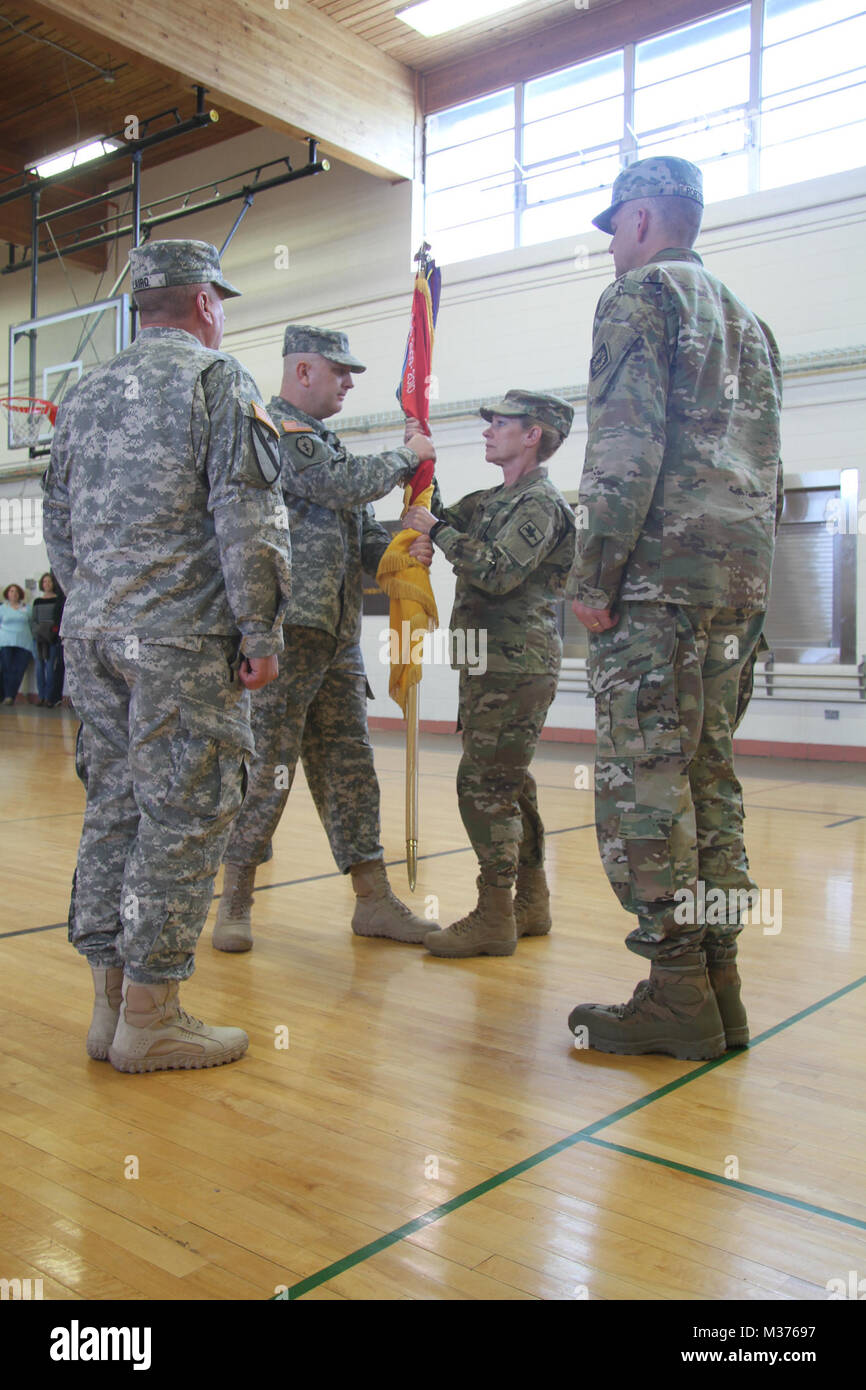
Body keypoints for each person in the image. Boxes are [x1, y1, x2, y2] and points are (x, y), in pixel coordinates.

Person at [43, 238, 291, 1073]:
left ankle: (108, 1008)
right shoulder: (219, 383)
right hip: (182, 640)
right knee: (185, 815)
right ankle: (152, 1016)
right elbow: (249, 521)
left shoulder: (80, 396)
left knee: (114, 805)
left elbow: (60, 529)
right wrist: (260, 630)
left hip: (94, 634)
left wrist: (95, 609)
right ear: (206, 303)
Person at [565, 157, 783, 1060]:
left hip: (654, 582)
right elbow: (770, 466)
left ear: (645, 220)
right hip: (735, 583)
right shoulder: (750, 320)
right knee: (707, 778)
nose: (613, 245)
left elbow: (624, 448)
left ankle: (677, 989)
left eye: (616, 226)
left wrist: (593, 576)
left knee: (644, 782)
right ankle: (719, 984)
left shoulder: (640, 299)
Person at [212, 324, 437, 952]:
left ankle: (373, 900)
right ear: (302, 370)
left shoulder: (330, 445)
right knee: (269, 770)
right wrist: (404, 457)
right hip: (286, 633)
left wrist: (405, 543)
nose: (348, 383)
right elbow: (340, 485)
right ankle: (234, 899)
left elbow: (364, 540)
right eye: (339, 372)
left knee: (349, 767)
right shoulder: (275, 429)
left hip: (335, 637)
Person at [403, 390, 576, 958]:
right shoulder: (496, 499)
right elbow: (443, 514)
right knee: (510, 783)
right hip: (486, 661)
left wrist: (441, 535)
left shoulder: (540, 503)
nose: (487, 432)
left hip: (514, 663)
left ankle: (495, 912)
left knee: (482, 786)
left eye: (500, 424)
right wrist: (417, 460)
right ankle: (530, 903)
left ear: (533, 435)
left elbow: (497, 571)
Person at [31, 571, 65, 706]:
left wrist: (52, 633)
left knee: (51, 666)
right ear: (41, 584)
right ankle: (41, 695)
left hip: (51, 638)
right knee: (39, 667)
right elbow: (33, 620)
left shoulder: (58, 600)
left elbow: (58, 619)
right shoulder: (37, 601)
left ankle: (49, 697)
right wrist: (38, 632)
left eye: (49, 581)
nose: (47, 584)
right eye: (45, 582)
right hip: (39, 639)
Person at [0, 583, 36, 703]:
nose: (13, 594)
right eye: (11, 591)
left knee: (19, 670)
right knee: (7, 669)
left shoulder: (27, 608)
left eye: (16, 591)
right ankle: (8, 696)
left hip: (24, 643)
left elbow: (32, 623)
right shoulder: (2, 608)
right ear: (7, 594)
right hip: (6, 642)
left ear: (20, 594)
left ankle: (10, 695)